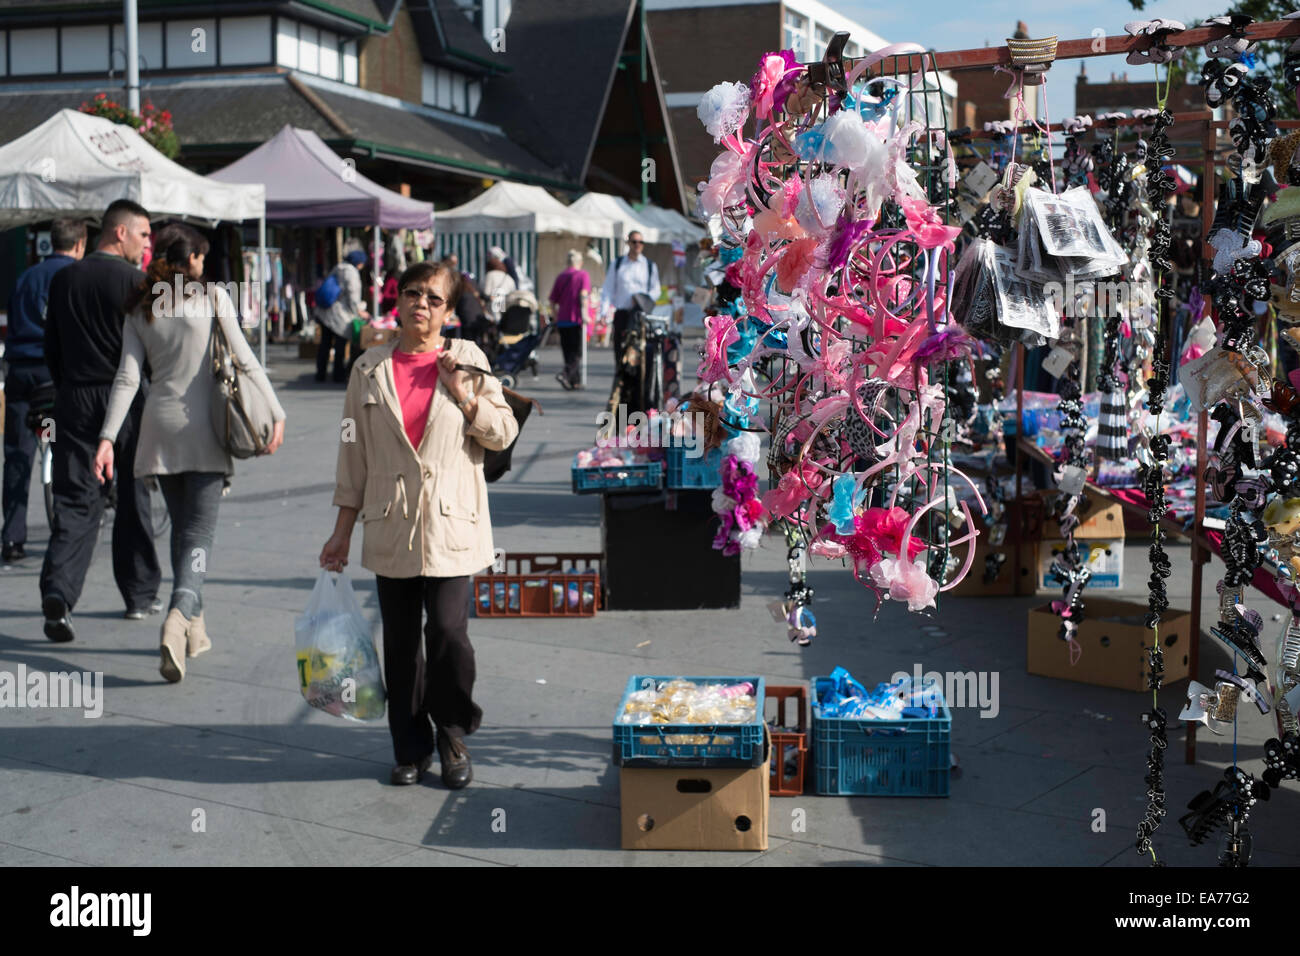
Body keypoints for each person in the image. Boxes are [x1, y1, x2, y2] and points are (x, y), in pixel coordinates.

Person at [319, 260, 518, 789]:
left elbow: (501, 431)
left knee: (450, 633)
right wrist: (341, 531)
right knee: (403, 644)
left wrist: (464, 394)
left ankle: (452, 732)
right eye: (412, 294)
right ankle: (409, 746)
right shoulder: (368, 369)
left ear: (449, 311)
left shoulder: (468, 357)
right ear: (398, 300)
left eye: (434, 298)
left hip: (453, 524)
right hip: (391, 523)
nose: (421, 305)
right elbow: (352, 456)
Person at [92, 224, 286, 682]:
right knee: (199, 539)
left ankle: (195, 631)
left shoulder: (141, 306)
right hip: (204, 430)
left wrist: (106, 438)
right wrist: (275, 413)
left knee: (183, 530)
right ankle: (179, 612)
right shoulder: (213, 298)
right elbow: (245, 360)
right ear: (194, 258)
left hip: (157, 430)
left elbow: (127, 379)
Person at [40, 199, 163, 642]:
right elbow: (153, 352)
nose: (148, 244)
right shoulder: (136, 282)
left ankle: (59, 591)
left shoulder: (63, 279)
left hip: (73, 396)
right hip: (123, 397)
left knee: (76, 497)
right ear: (121, 233)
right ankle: (139, 593)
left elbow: (50, 346)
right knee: (132, 495)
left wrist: (67, 387)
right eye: (145, 235)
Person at [3, 219, 86, 563]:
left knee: (18, 454)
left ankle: (12, 536)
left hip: (21, 370)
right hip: (54, 374)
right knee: (67, 447)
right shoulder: (75, 277)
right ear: (79, 244)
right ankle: (66, 528)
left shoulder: (26, 277)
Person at [602, 230, 661, 362]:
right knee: (621, 352)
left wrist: (642, 299)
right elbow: (608, 289)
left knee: (640, 354)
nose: (637, 245)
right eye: (634, 242)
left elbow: (656, 290)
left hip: (640, 315)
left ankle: (639, 381)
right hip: (622, 314)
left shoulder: (650, 266)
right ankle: (620, 380)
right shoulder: (617, 264)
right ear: (628, 243)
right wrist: (604, 311)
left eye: (641, 242)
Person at [314, 246, 370, 384]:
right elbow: (353, 296)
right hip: (340, 315)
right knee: (340, 345)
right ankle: (338, 374)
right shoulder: (352, 273)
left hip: (325, 311)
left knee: (325, 343)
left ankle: (320, 374)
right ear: (359, 262)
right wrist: (359, 310)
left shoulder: (339, 267)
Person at [549, 249, 591, 390]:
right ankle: (566, 374)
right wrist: (585, 314)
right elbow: (583, 295)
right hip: (576, 318)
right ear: (580, 262)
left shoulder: (561, 276)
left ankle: (574, 381)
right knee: (577, 352)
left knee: (568, 352)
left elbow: (552, 300)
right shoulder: (582, 275)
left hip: (563, 319)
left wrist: (555, 316)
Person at [480, 253, 516, 323]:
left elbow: (486, 293)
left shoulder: (490, 275)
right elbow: (513, 294)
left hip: (492, 310)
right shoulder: (509, 278)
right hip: (506, 309)